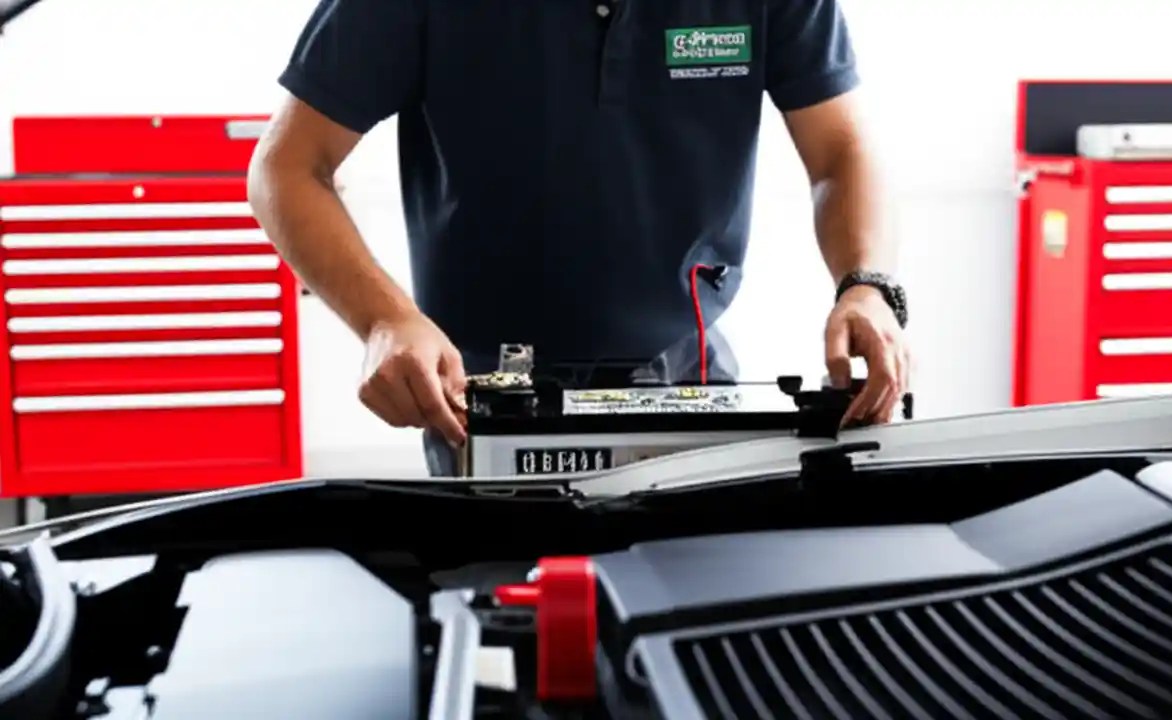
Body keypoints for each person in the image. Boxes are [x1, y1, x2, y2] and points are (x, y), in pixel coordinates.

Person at [248, 0, 911, 475]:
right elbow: (287, 167)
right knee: (501, 613)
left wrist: (866, 285)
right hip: (483, 397)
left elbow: (841, 152)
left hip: (691, 383)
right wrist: (384, 321)